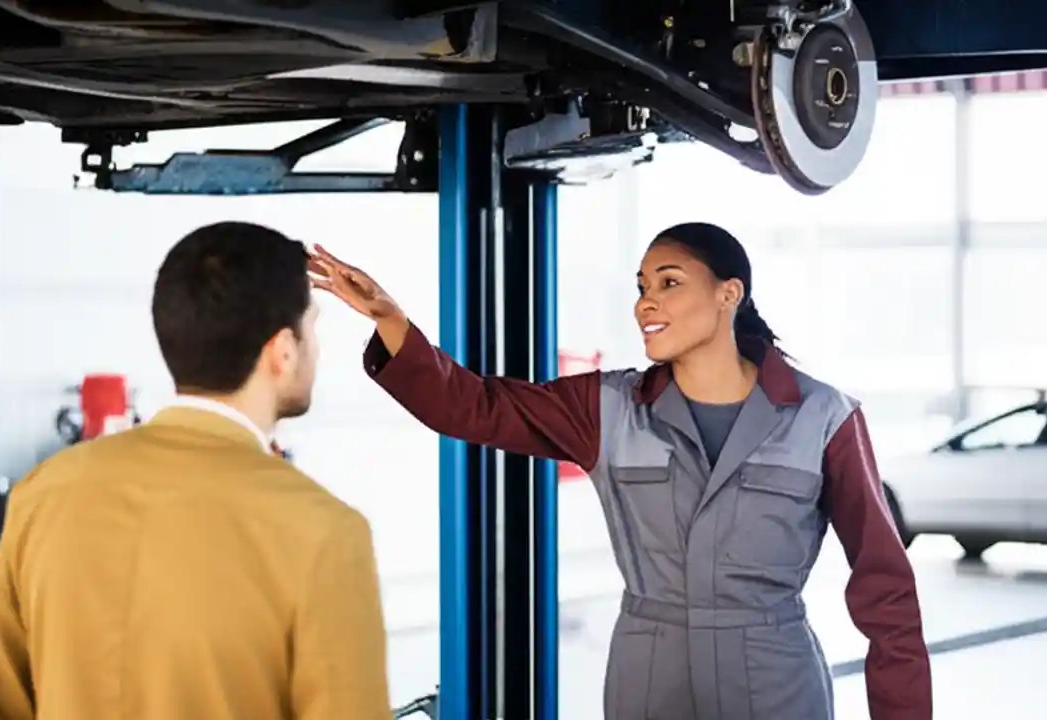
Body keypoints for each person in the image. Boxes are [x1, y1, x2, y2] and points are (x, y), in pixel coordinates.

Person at [309, 222, 932, 720]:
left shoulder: (822, 416)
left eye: (669, 282)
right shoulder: (606, 408)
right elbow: (472, 407)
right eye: (641, 286)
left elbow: (886, 589)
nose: (646, 303)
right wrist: (390, 320)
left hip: (774, 675)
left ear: (728, 293)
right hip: (650, 673)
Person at [0, 222, 392, 720]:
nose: (317, 349)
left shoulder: (41, 495)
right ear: (282, 350)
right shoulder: (325, 534)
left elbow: (1, 710)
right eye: (313, 326)